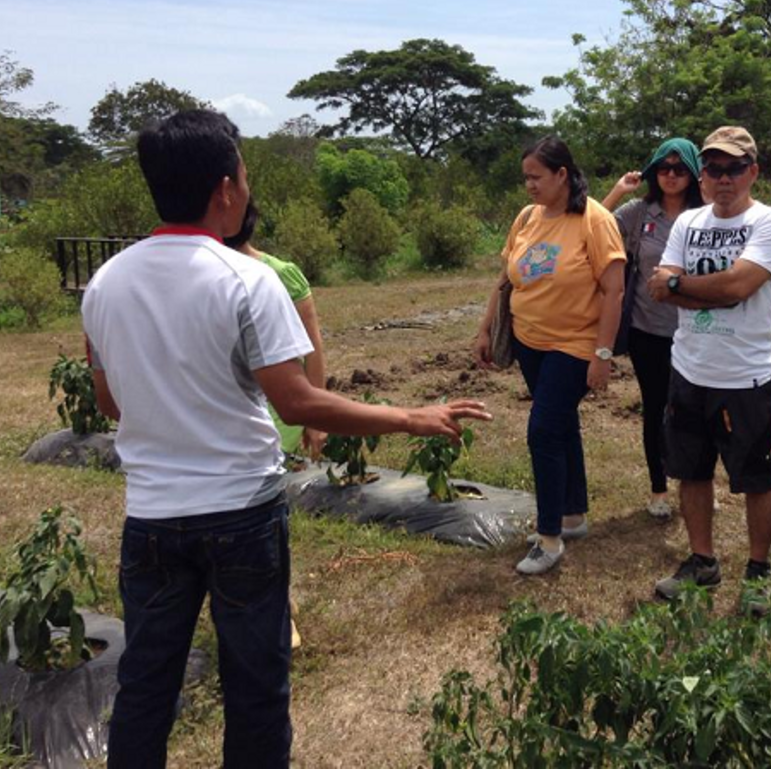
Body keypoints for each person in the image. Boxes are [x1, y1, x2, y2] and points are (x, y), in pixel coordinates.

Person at [83, 109, 490, 769]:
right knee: (255, 687)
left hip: (150, 519)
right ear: (224, 189)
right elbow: (296, 400)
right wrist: (412, 416)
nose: (245, 187)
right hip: (240, 514)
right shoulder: (247, 280)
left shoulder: (106, 282)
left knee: (145, 686)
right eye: (243, 174)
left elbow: (108, 400)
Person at [646, 125, 771, 608]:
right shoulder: (688, 223)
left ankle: (758, 572)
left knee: (757, 478)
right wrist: (697, 285)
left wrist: (682, 285)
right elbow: (657, 284)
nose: (722, 178)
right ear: (702, 174)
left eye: (733, 168)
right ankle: (702, 562)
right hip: (688, 371)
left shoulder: (769, 223)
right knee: (690, 472)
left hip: (745, 376)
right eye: (712, 168)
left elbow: (736, 289)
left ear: (753, 171)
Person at [475, 135, 625, 575]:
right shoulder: (527, 218)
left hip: (575, 345)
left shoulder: (594, 220)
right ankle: (573, 515)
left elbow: (614, 291)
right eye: (525, 178)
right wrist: (486, 327)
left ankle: (549, 538)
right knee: (561, 427)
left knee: (542, 432)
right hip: (529, 342)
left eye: (536, 177)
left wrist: (603, 353)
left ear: (562, 175)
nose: (529, 186)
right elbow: (506, 278)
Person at [602, 138, 703, 519]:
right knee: (656, 409)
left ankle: (694, 484)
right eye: (664, 168)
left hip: (698, 330)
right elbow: (592, 225)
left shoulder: (705, 214)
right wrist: (617, 190)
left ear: (693, 173)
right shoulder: (639, 212)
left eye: (680, 169)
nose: (672, 176)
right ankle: (659, 489)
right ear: (652, 173)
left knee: (694, 411)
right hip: (649, 332)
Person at [225, 199, 326, 461]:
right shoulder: (205, 274)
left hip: (278, 406)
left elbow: (312, 348)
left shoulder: (282, 274)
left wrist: (315, 418)